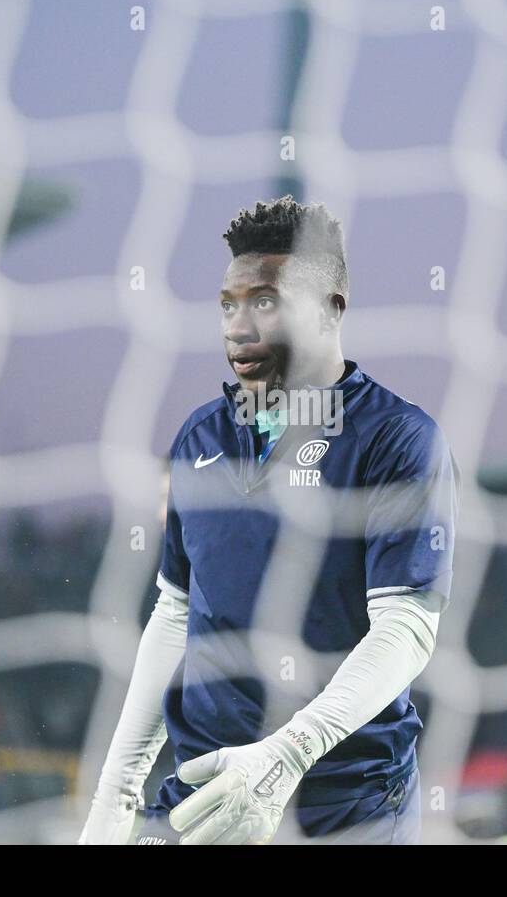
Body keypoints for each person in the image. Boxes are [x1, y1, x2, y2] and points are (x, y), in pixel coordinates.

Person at [78, 195, 458, 844]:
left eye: (266, 301)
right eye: (229, 304)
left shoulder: (397, 438)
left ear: (331, 308)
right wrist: (116, 792)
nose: (239, 325)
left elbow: (407, 629)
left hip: (347, 804)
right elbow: (176, 612)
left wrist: (286, 755)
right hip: (204, 791)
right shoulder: (200, 438)